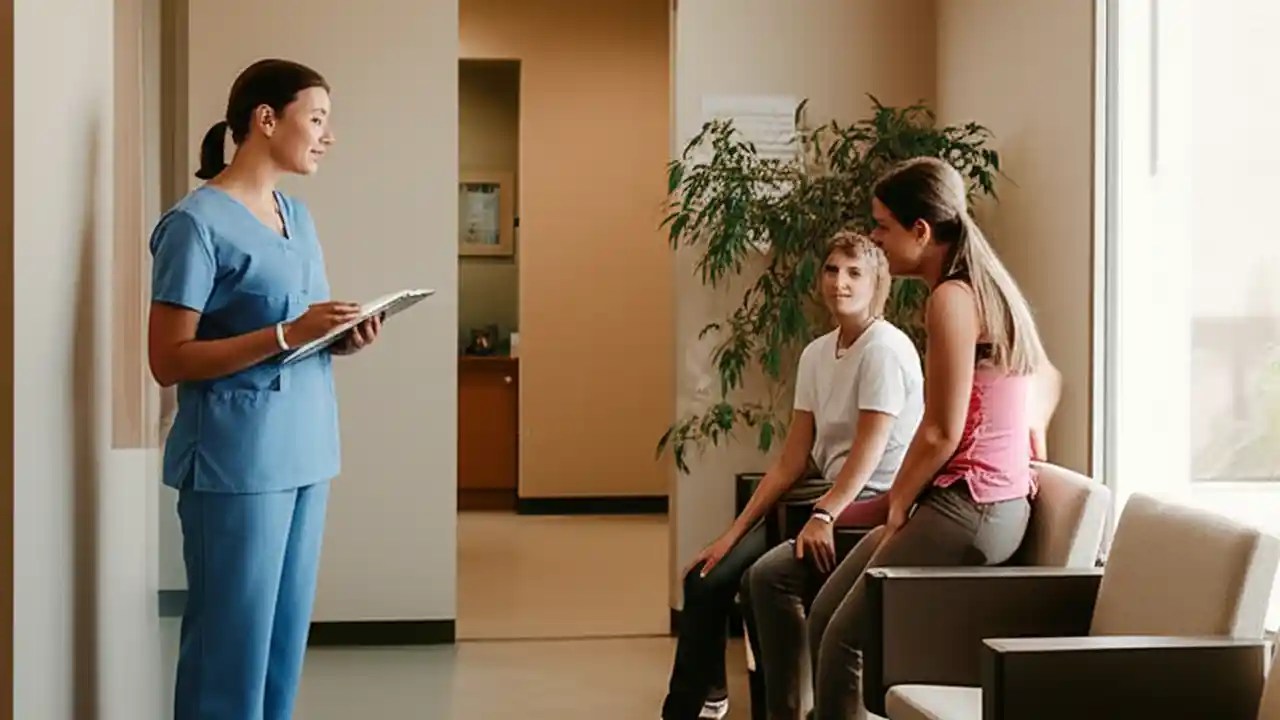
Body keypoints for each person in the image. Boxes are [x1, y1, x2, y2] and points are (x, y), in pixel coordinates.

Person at [767, 156, 1057, 720]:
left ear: (920, 232)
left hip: (970, 507)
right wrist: (1031, 425)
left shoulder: (951, 298)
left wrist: (897, 501)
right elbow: (1047, 375)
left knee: (844, 641)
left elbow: (941, 430)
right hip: (973, 500)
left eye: (882, 226)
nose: (875, 238)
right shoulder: (983, 286)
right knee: (825, 612)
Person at [147, 59, 380, 720]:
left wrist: (337, 335)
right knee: (230, 651)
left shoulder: (295, 216)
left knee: (279, 649)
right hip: (237, 462)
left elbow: (295, 326)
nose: (328, 134)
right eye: (318, 118)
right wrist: (285, 334)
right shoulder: (195, 225)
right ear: (266, 119)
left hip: (306, 450)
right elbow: (168, 358)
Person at [661, 232, 925, 720]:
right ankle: (700, 702)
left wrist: (825, 514)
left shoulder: (885, 350)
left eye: (854, 273)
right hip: (824, 496)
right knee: (705, 577)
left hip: (870, 503)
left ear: (878, 284)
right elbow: (790, 460)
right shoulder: (817, 354)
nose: (839, 282)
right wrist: (730, 534)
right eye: (831, 270)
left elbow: (866, 458)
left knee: (765, 579)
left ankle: (790, 710)